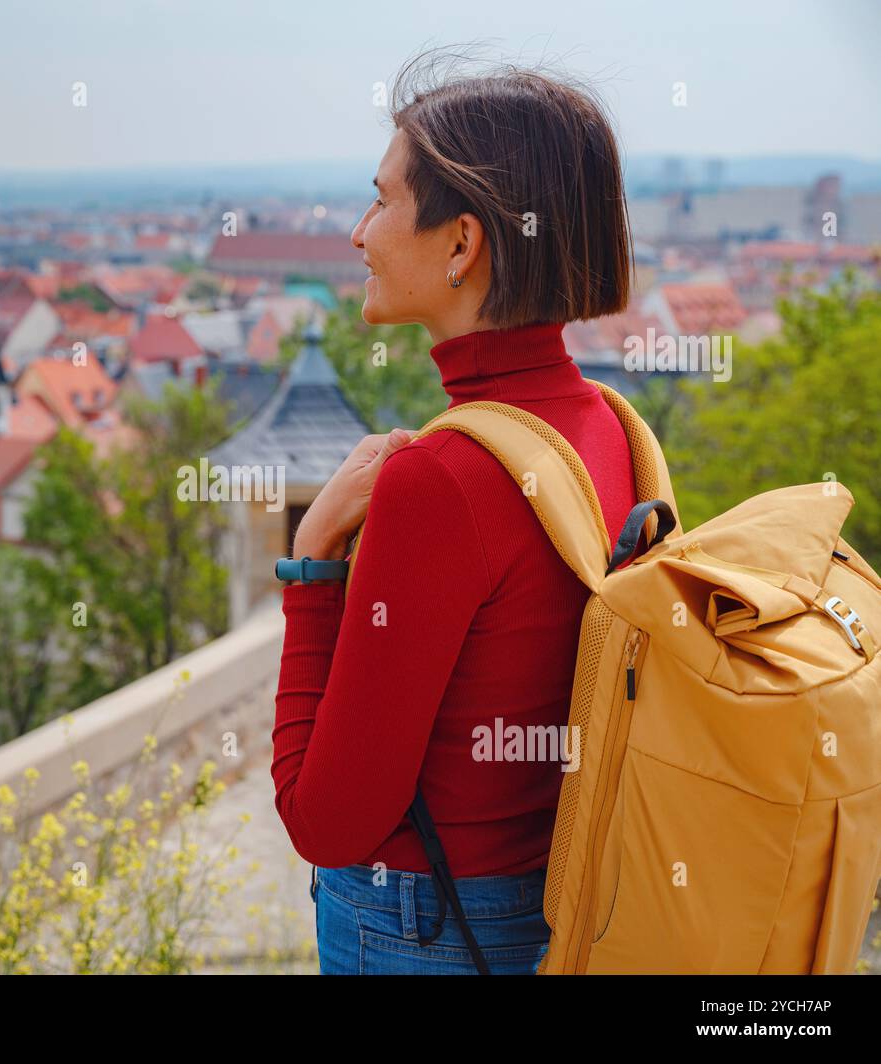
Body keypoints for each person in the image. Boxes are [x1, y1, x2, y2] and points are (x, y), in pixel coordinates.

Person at [272, 52, 641, 975]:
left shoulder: (443, 477)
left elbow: (326, 821)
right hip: (554, 907)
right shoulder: (609, 427)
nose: (359, 234)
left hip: (424, 930)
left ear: (463, 243)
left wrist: (313, 561)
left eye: (383, 201)